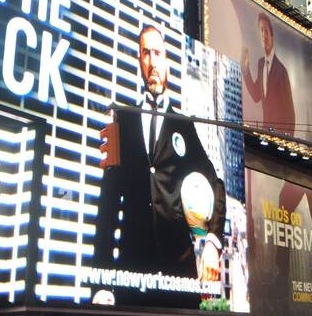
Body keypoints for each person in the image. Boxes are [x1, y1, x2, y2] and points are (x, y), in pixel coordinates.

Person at [95, 25, 227, 285]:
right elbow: (108, 201)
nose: (152, 61)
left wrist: (212, 241)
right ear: (139, 60)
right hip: (131, 272)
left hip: (178, 271)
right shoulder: (121, 118)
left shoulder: (184, 124)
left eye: (157, 53)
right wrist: (101, 282)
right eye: (146, 53)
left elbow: (215, 183)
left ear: (166, 59)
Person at [242, 11, 297, 138]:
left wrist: (289, 140)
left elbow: (290, 112)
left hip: (281, 136)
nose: (263, 35)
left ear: (272, 36)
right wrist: (246, 69)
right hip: (266, 133)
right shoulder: (261, 63)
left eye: (266, 31)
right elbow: (256, 95)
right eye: (261, 31)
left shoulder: (282, 70)